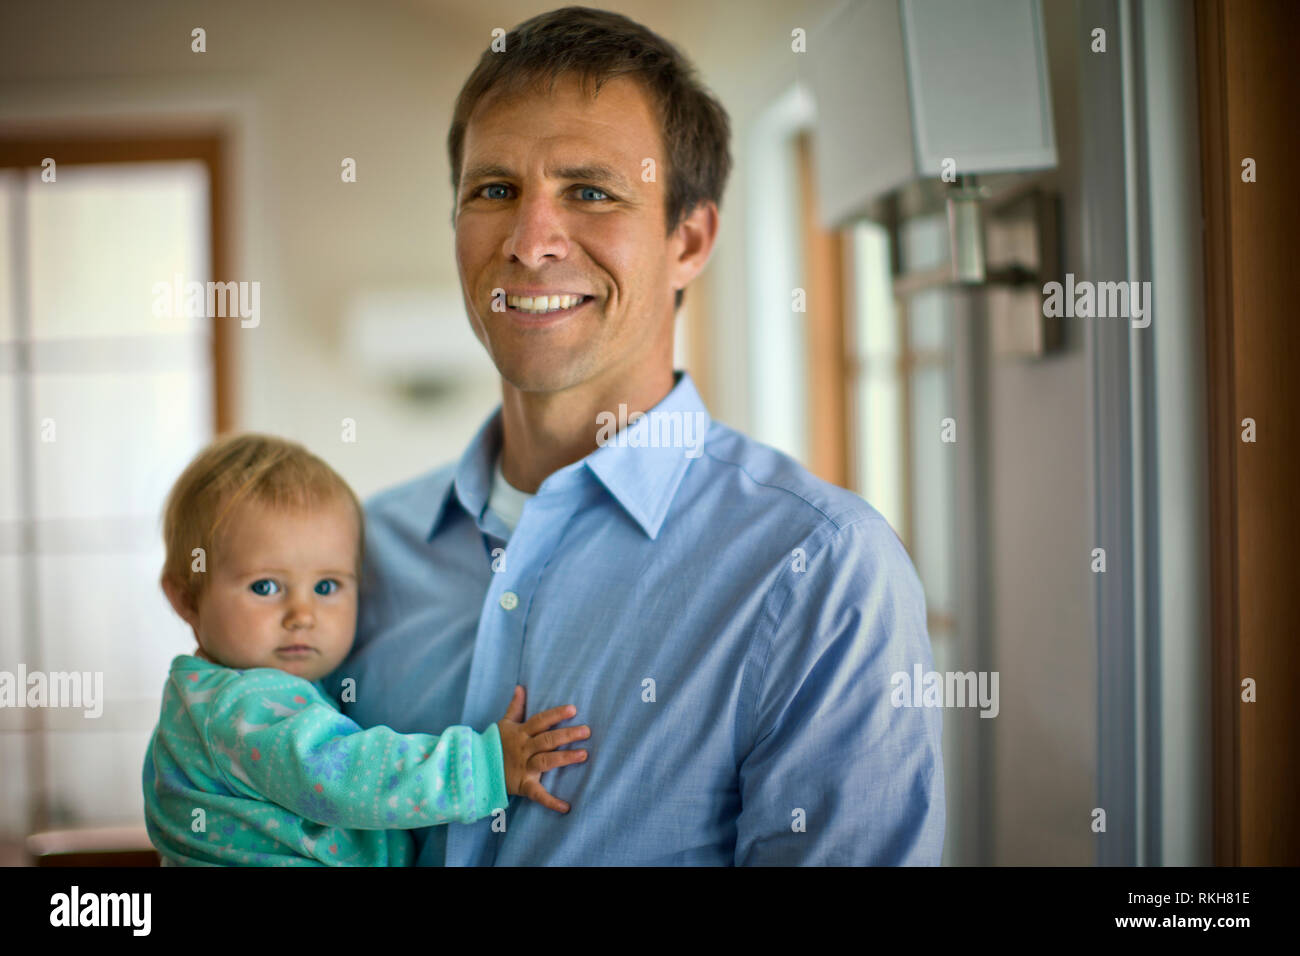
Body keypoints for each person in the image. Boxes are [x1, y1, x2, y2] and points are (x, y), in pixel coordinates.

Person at [323, 6, 945, 865]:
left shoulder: (821, 574)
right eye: (494, 190)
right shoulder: (353, 558)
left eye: (590, 191)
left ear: (688, 239)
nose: (530, 242)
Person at [142, 432, 589, 866]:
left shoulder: (204, 698)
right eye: (265, 586)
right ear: (186, 599)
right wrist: (483, 765)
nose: (302, 614)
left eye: (326, 586)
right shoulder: (241, 707)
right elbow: (342, 774)